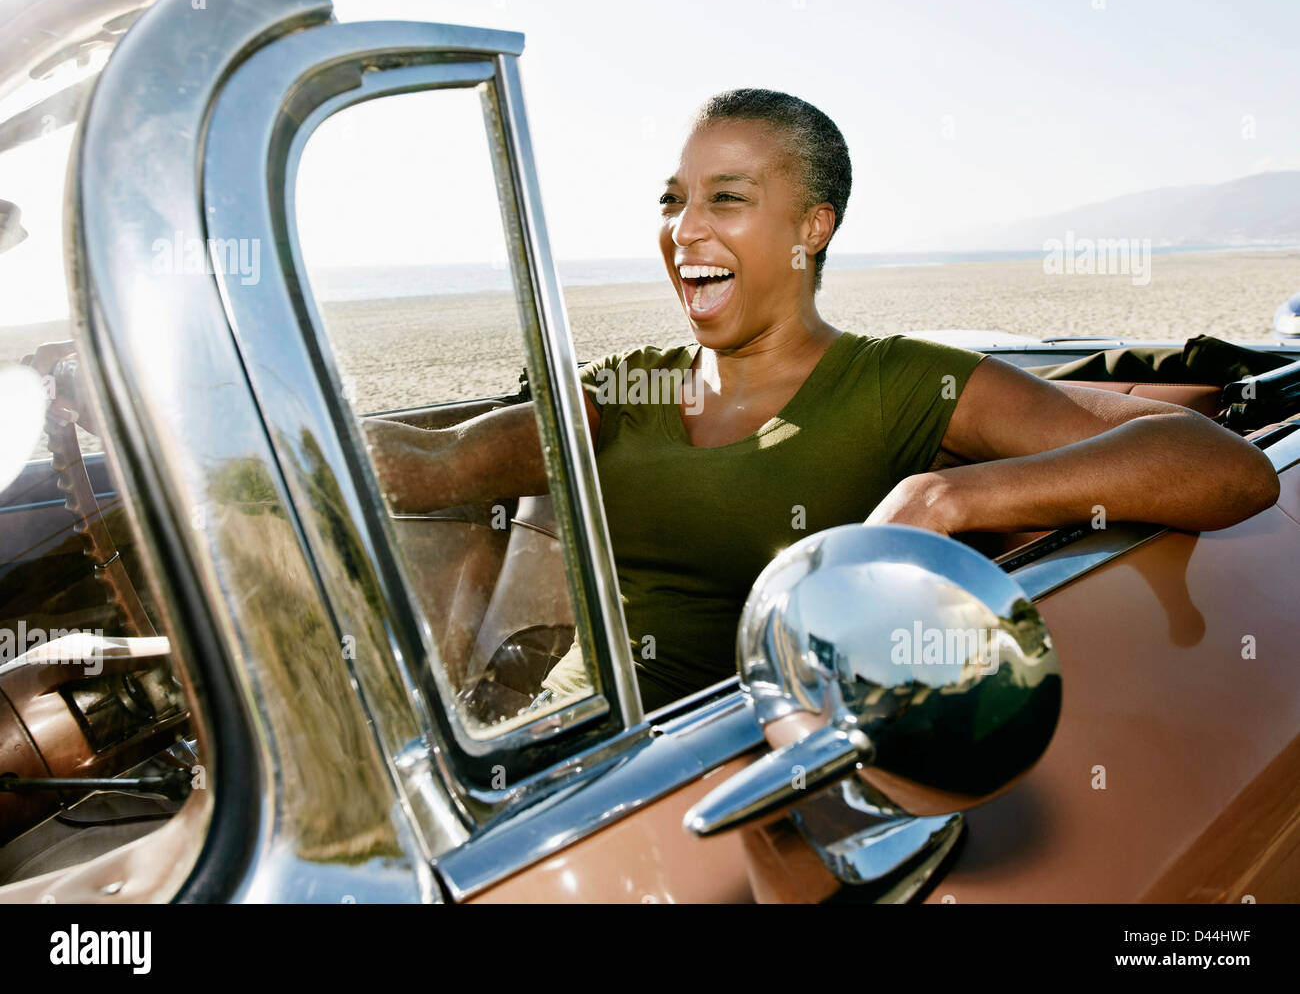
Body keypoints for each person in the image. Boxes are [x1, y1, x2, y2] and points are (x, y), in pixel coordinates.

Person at [365, 89, 1279, 712]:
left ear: (813, 229)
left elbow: (1225, 468)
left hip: (735, 795)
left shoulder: (897, 384)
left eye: (727, 198)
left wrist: (950, 497)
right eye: (673, 199)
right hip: (554, 775)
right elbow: (428, 467)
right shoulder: (621, 390)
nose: (685, 228)